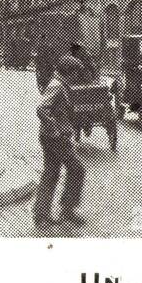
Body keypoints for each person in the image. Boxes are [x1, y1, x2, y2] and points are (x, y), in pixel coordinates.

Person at [34, 55, 87, 232]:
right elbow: (41, 108)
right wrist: (55, 128)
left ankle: (42, 216)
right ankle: (67, 209)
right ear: (69, 72)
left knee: (51, 173)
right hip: (56, 138)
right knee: (77, 169)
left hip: (50, 136)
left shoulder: (58, 83)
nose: (76, 78)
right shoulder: (57, 86)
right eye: (75, 74)